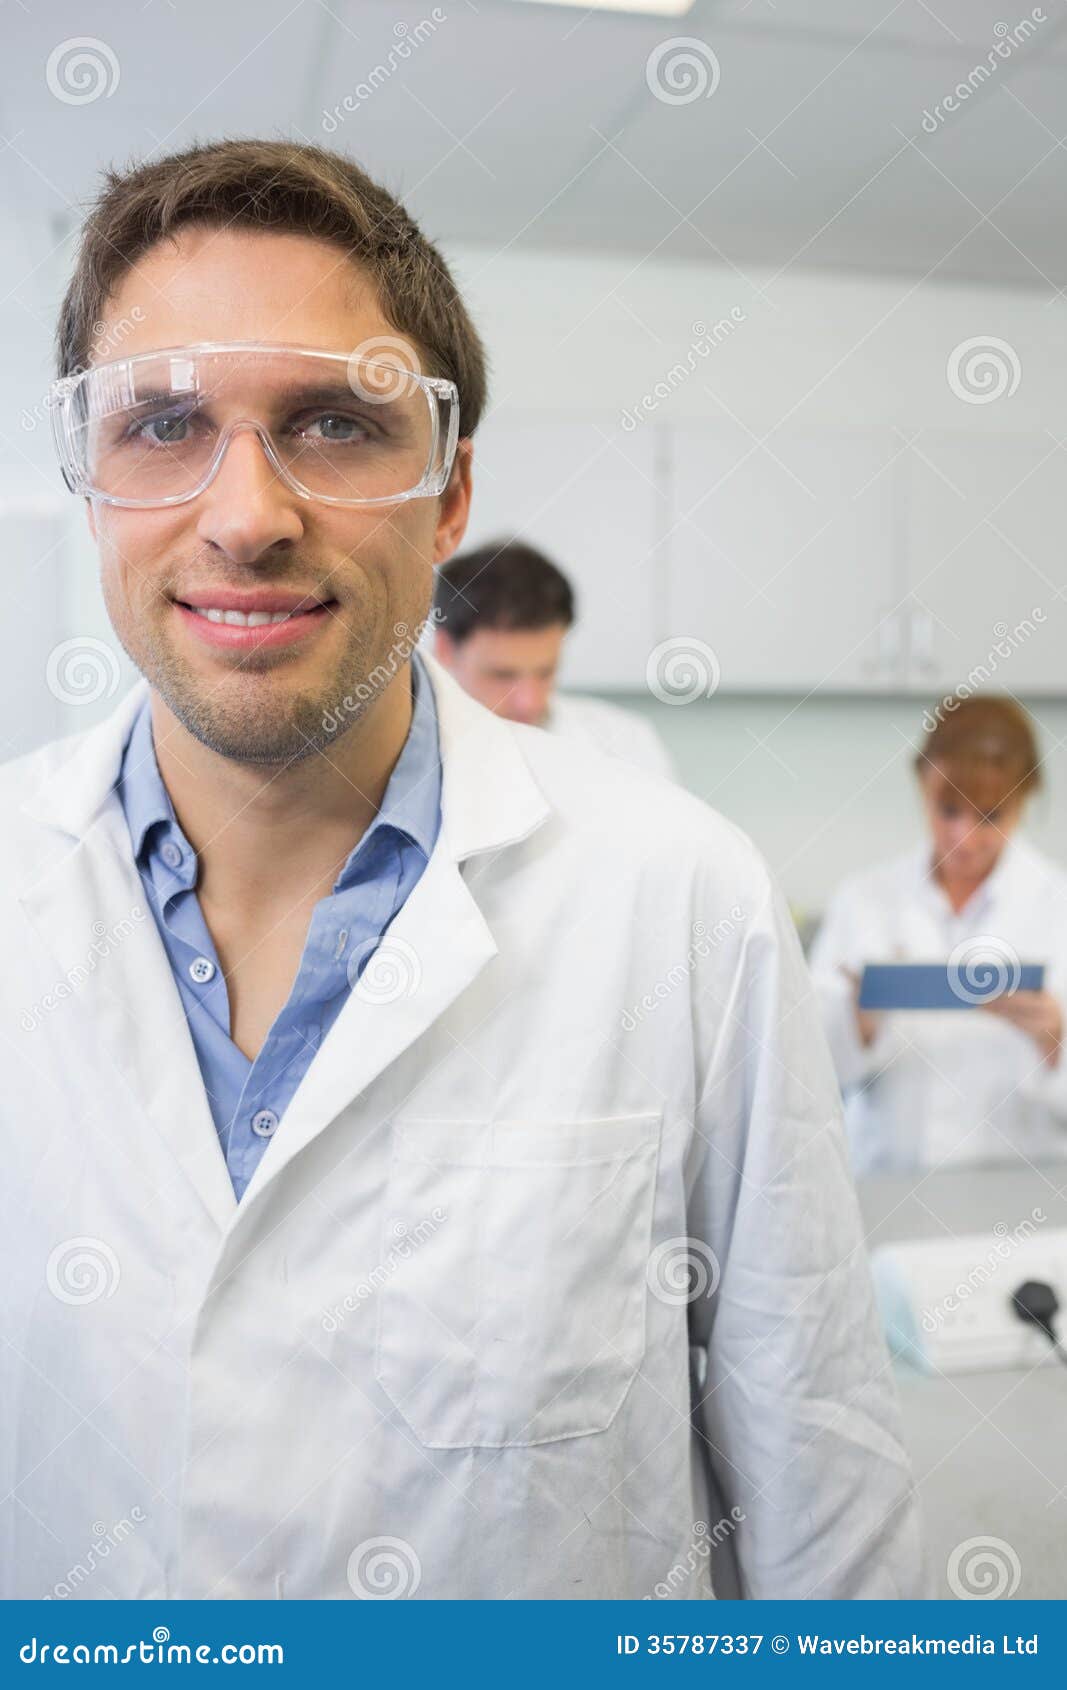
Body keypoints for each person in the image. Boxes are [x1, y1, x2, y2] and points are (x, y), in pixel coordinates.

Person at [0, 138, 921, 1601]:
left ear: (445, 496)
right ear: (93, 482)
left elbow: (823, 1493)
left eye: (331, 423)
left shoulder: (680, 898)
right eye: (162, 423)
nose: (245, 515)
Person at [810, 695, 1067, 1176]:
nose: (964, 838)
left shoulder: (1058, 904)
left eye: (990, 816)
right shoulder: (864, 899)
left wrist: (1056, 1039)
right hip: (887, 1183)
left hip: (1024, 1186)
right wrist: (858, 1022)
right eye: (948, 810)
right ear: (922, 784)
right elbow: (804, 1072)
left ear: (1024, 800)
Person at [432, 540, 677, 778]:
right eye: (503, 675)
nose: (529, 703)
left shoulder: (629, 746)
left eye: (545, 672)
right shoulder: (422, 756)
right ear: (445, 650)